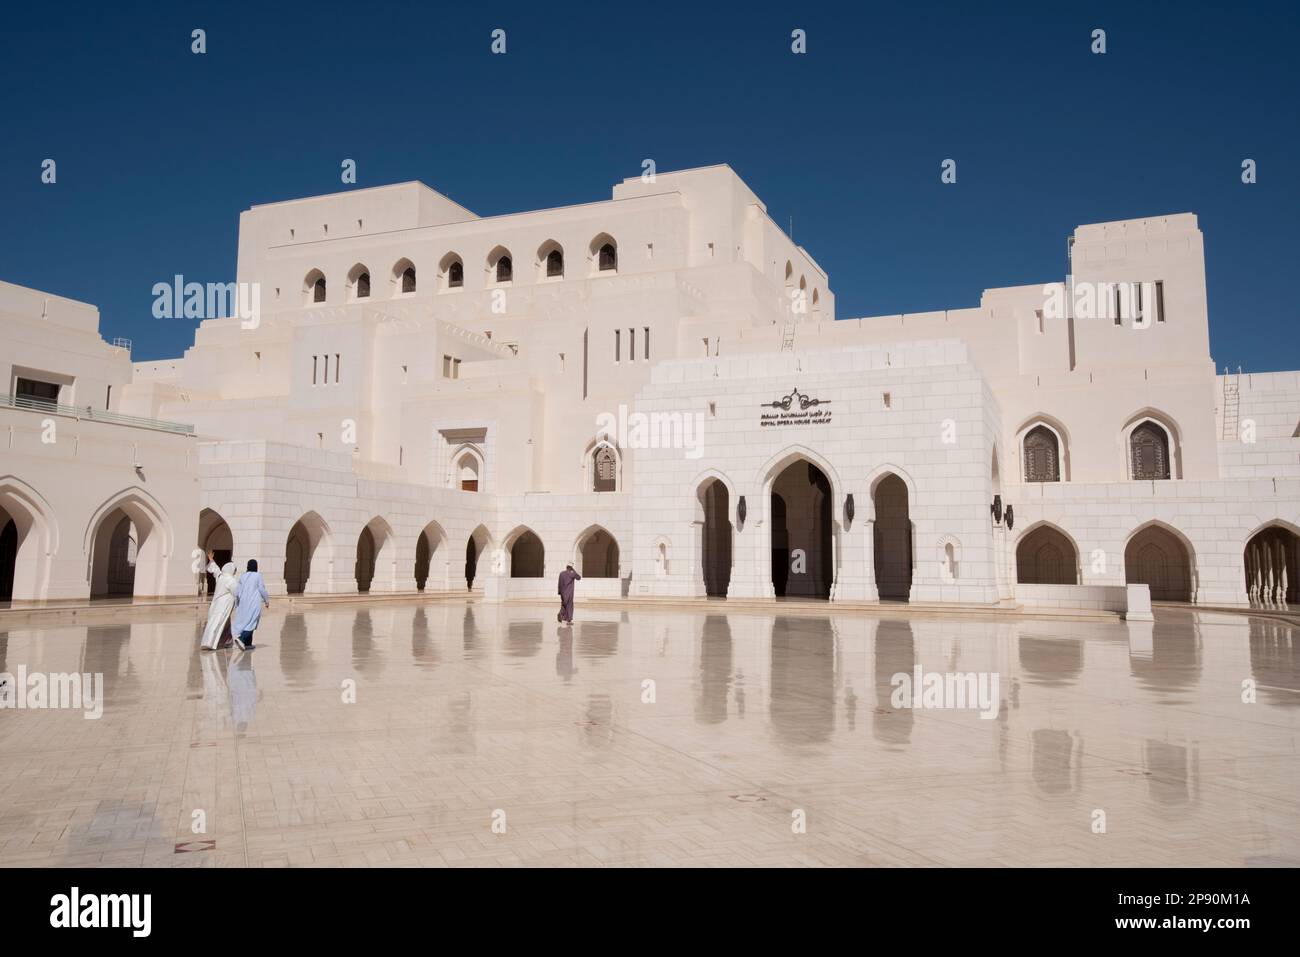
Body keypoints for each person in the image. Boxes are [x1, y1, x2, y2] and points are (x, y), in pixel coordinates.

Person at [200, 550, 239, 651]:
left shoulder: (221, 576)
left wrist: (211, 560)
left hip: (217, 604)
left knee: (225, 623)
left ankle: (227, 641)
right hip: (223, 606)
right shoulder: (230, 580)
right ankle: (209, 643)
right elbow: (237, 592)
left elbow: (216, 570)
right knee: (217, 623)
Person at [231, 559, 270, 650]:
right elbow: (261, 589)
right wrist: (266, 600)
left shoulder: (243, 576)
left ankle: (248, 643)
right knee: (252, 622)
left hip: (243, 603)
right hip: (254, 603)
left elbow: (238, 590)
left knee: (247, 621)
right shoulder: (257, 576)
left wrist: (237, 603)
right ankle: (241, 639)